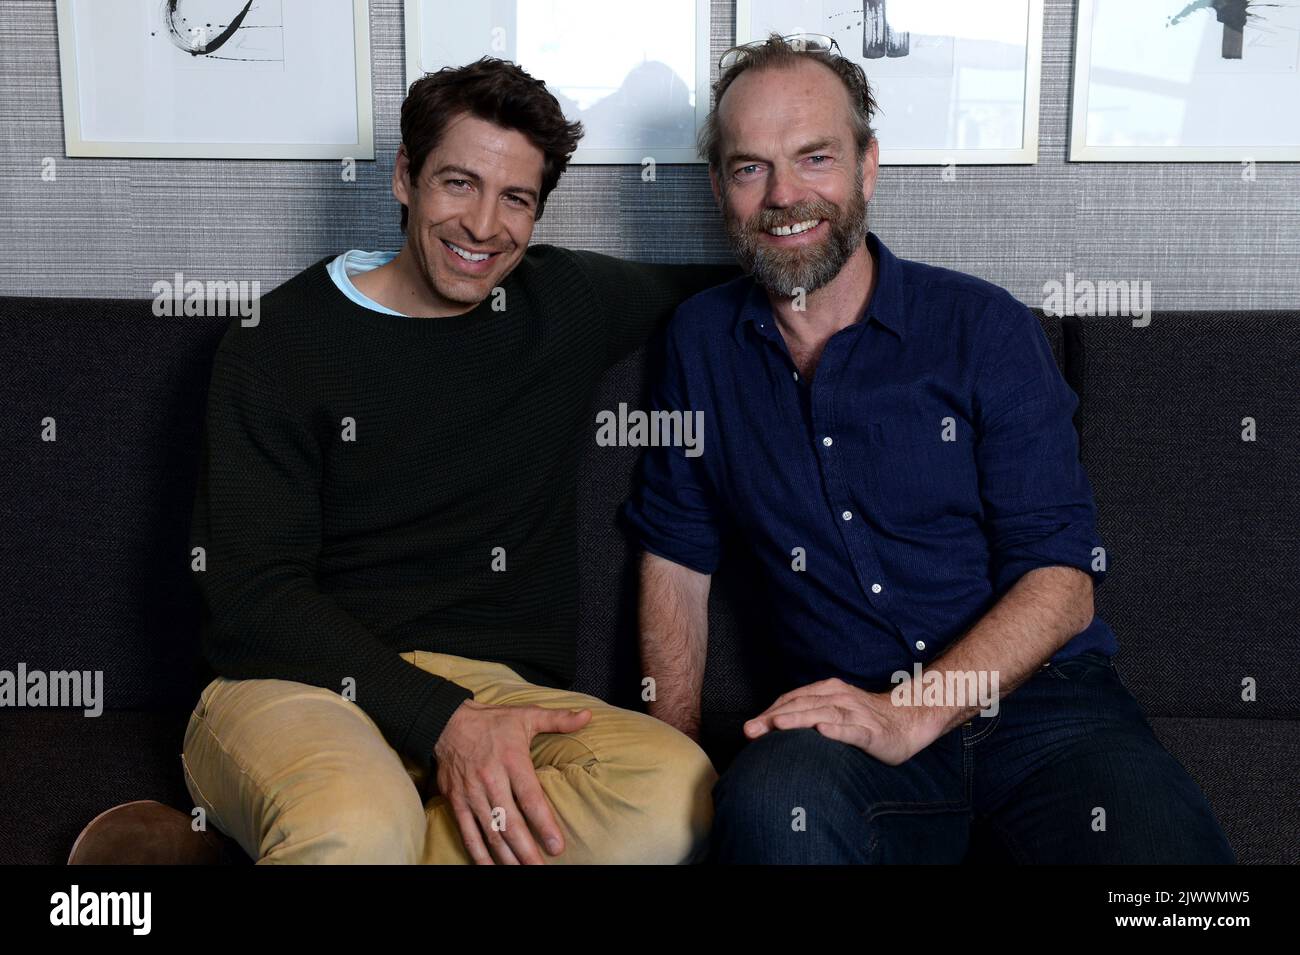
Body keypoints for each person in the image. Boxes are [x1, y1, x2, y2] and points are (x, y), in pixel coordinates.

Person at [625, 34, 1234, 864]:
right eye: (749, 167)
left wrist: (912, 714)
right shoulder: (700, 341)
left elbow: (1062, 583)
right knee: (770, 808)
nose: (785, 195)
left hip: (1044, 707)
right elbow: (677, 557)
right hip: (838, 715)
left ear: (868, 166)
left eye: (815, 157)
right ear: (719, 187)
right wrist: (680, 760)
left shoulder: (983, 327)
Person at [176, 57, 736, 864]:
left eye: (516, 200)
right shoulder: (281, 341)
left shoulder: (563, 303)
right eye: (458, 184)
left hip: (498, 690)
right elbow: (251, 598)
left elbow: (730, 283)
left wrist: (829, 254)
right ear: (406, 177)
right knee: (360, 824)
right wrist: (440, 720)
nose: (482, 226)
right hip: (295, 680)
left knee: (674, 795)